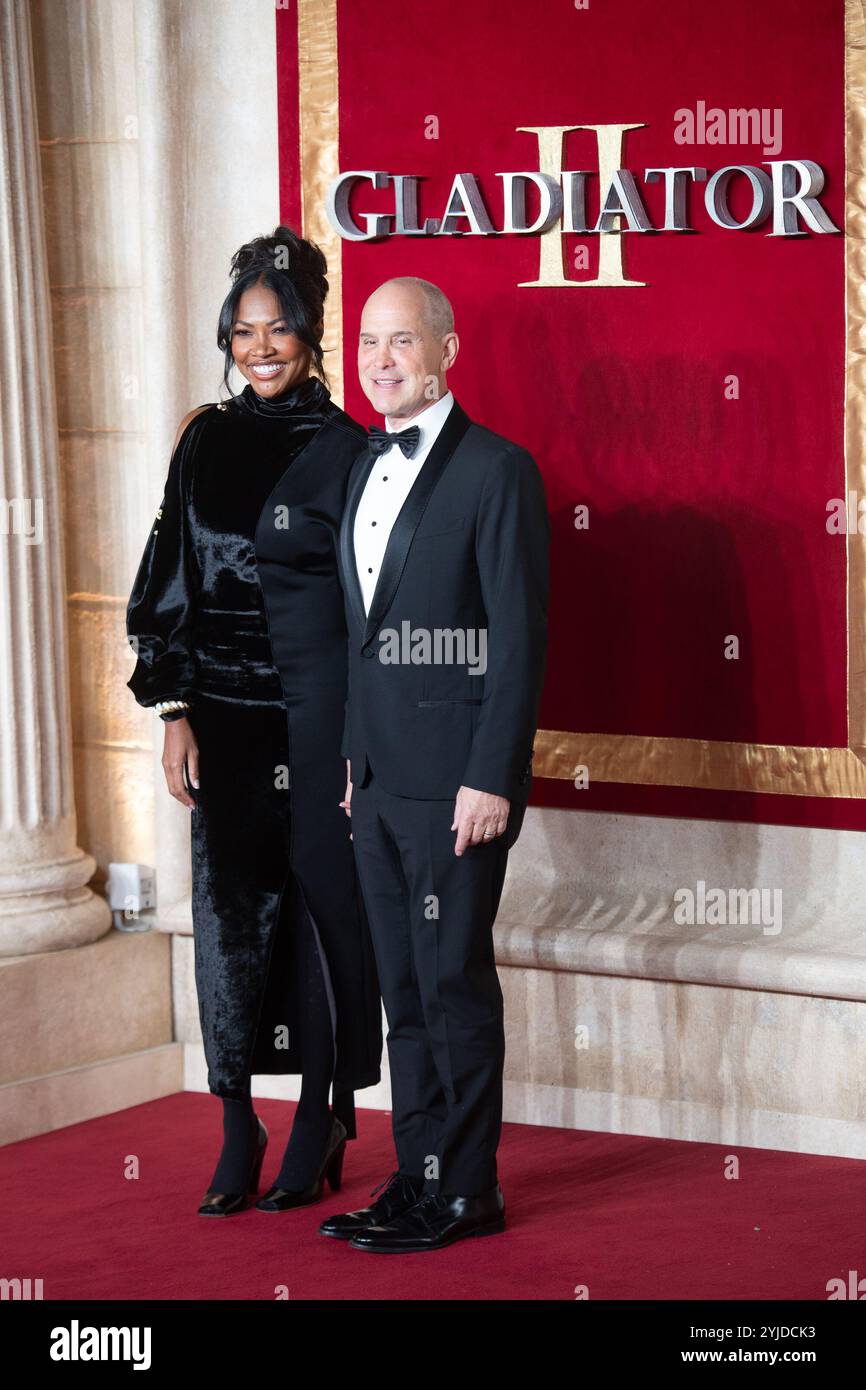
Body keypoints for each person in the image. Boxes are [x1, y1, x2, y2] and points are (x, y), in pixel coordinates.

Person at [126, 226, 381, 1218]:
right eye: (242, 331)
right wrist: (174, 709)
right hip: (222, 721)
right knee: (230, 919)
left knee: (324, 921)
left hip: (316, 721)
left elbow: (370, 607)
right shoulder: (204, 438)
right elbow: (168, 581)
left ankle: (322, 1115)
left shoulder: (350, 447)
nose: (260, 347)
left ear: (310, 331)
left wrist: (363, 740)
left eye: (277, 329)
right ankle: (236, 1114)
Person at [319, 276, 549, 1252]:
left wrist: (490, 774)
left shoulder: (497, 470)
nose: (381, 359)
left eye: (401, 340)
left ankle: (466, 1191)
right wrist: (349, 759)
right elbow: (357, 639)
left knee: (450, 983)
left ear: (444, 350)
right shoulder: (361, 464)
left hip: (457, 784)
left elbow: (517, 637)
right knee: (400, 991)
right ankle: (415, 1178)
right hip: (373, 782)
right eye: (368, 341)